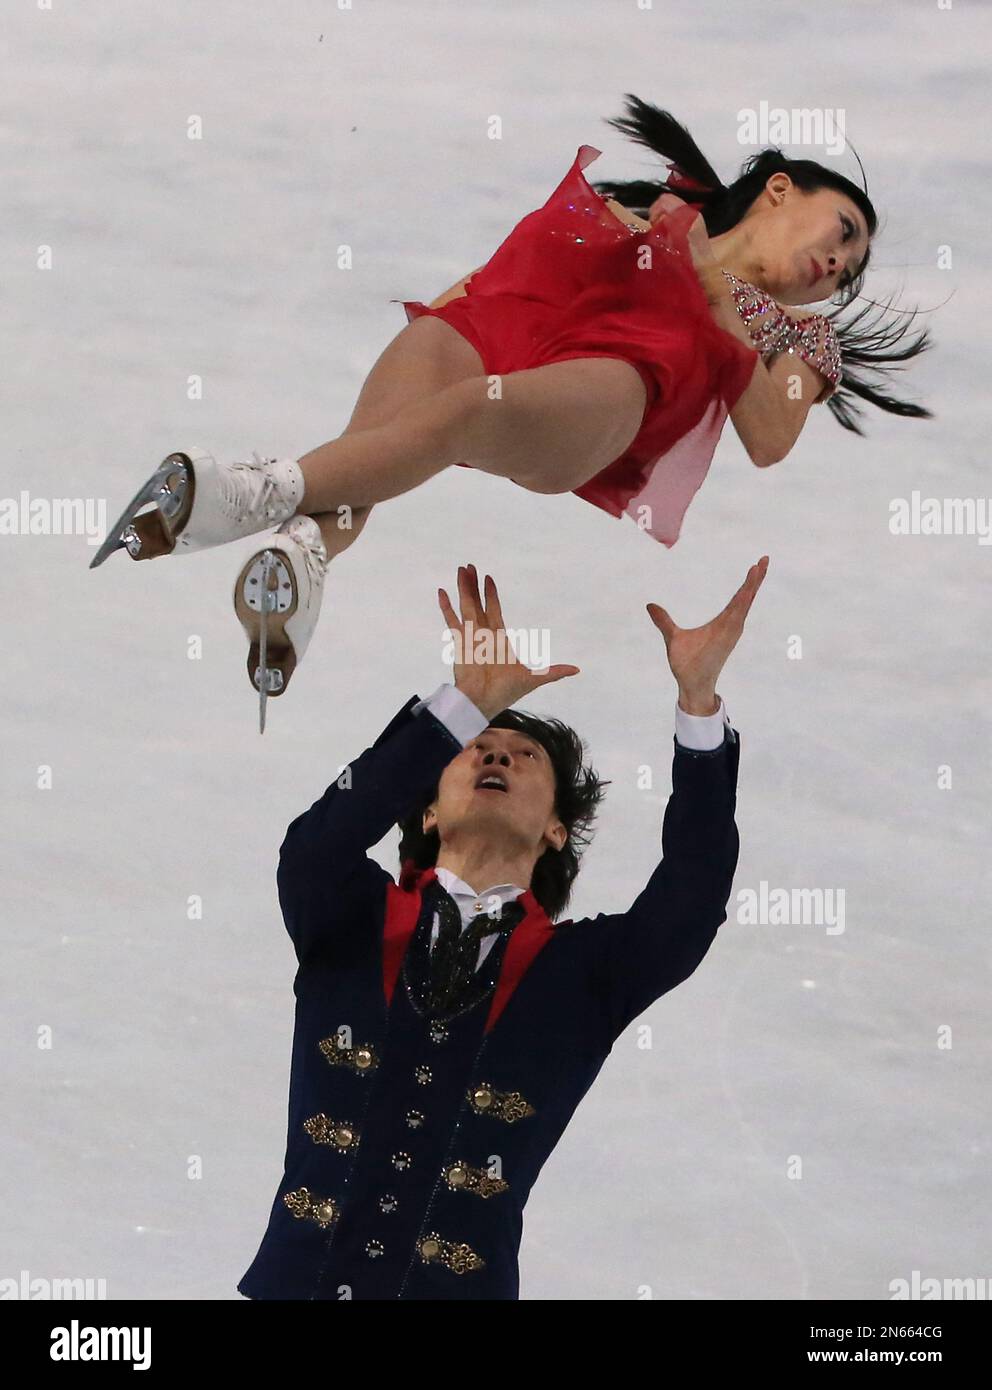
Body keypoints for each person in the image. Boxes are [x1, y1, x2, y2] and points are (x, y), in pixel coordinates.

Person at [89, 96, 929, 727]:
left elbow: (772, 436)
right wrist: (445, 321)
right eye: (845, 231)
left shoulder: (804, 340)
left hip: (613, 385)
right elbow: (528, 263)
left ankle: (243, 492)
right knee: (374, 449)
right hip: (500, 325)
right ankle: (297, 570)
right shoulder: (650, 206)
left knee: (462, 412)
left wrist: (714, 286)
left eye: (850, 269)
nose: (839, 265)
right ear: (781, 189)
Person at [237, 557, 766, 1300]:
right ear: (426, 812)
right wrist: (459, 704)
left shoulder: (586, 974)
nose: (495, 753)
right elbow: (317, 841)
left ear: (555, 829)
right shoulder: (349, 917)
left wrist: (699, 707)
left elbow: (692, 896)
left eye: (524, 758)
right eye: (474, 748)